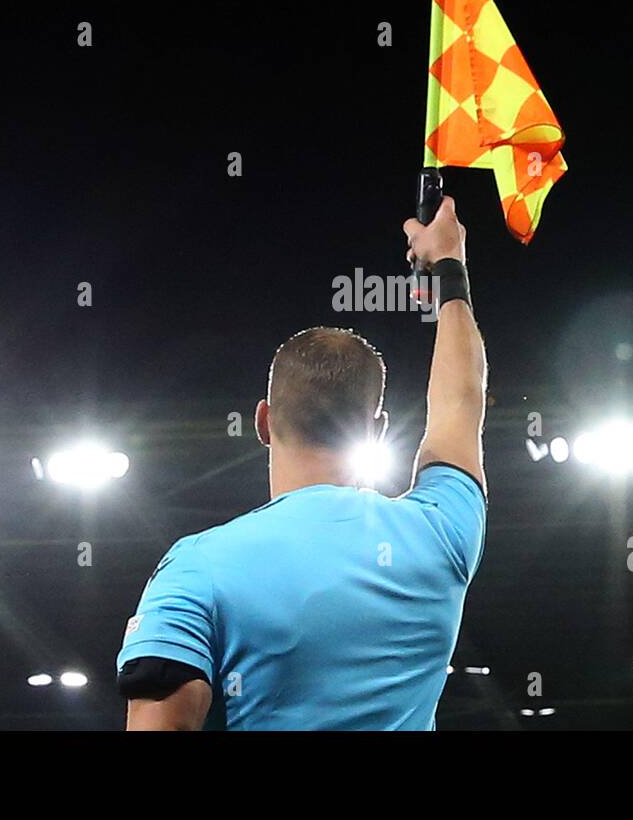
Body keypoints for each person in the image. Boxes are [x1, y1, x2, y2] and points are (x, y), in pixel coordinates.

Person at [116, 196, 487, 729]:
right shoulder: (440, 534)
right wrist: (449, 266)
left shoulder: (197, 565)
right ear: (376, 429)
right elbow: (461, 401)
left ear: (263, 421)